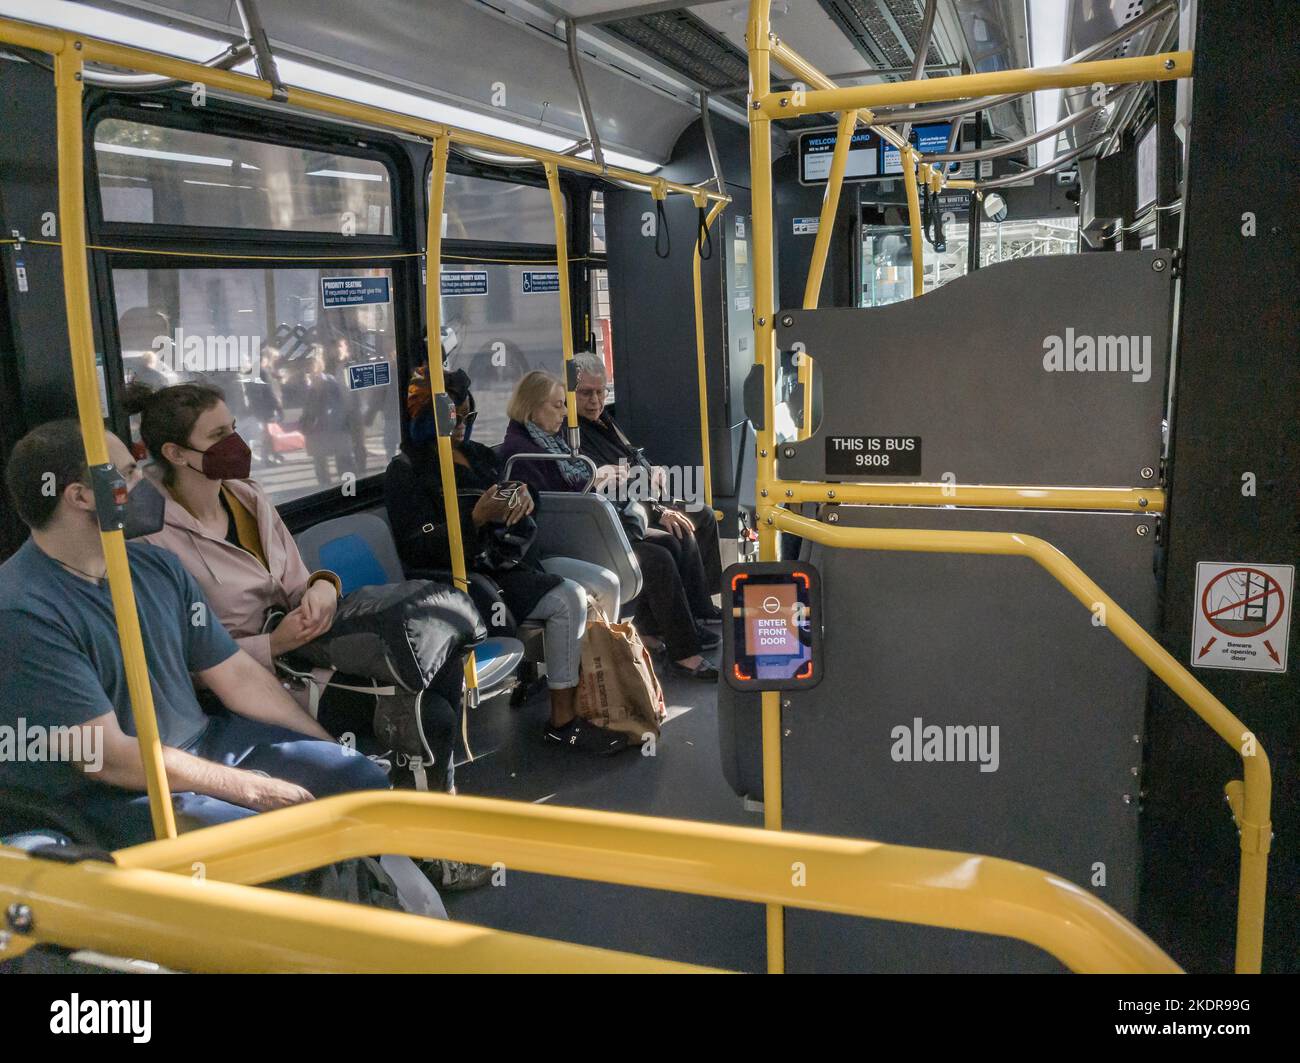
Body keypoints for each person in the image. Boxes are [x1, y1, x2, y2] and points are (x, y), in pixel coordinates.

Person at [122, 380, 485, 891]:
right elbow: (181, 660)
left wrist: (321, 588)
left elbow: (297, 581)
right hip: (250, 675)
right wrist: (274, 645)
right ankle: (418, 848)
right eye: (219, 434)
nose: (236, 443)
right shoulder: (153, 539)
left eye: (234, 428)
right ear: (177, 453)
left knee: (437, 652)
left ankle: (425, 829)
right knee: (432, 715)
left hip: (305, 643)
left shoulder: (246, 497)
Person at [0, 421, 395, 856]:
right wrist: (250, 790)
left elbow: (237, 676)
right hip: (120, 790)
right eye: (129, 473)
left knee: (359, 781)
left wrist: (321, 741)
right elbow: (107, 756)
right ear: (80, 496)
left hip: (203, 745)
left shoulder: (156, 568)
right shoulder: (22, 610)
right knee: (268, 846)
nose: (142, 482)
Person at [385, 366, 631, 754]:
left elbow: (517, 479)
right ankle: (563, 720)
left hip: (514, 558)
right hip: (470, 574)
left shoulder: (476, 455)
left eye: (468, 417)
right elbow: (419, 542)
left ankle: (593, 692)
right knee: (568, 598)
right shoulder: (406, 473)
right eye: (456, 419)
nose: (463, 426)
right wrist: (475, 518)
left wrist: (525, 493)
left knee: (603, 579)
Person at [499, 370, 719, 681]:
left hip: (590, 526)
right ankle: (685, 654)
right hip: (567, 538)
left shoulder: (552, 442)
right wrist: (597, 479)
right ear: (531, 408)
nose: (565, 413)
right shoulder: (521, 451)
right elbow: (554, 505)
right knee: (657, 559)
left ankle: (653, 630)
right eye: (557, 406)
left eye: (564, 405)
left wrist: (599, 480)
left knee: (669, 542)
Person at [571, 350, 724, 608]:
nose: (595, 400)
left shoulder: (604, 421)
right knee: (682, 530)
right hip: (626, 510)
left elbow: (630, 456)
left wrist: (653, 470)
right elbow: (613, 486)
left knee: (705, 516)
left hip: (646, 498)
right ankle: (694, 610)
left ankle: (703, 602)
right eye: (586, 393)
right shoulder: (574, 433)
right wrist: (659, 510)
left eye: (600, 392)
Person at [299, 347, 356, 487]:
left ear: (318, 365)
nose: (309, 368)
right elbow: (306, 409)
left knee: (343, 462)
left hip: (334, 429)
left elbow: (339, 405)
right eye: (307, 365)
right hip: (316, 432)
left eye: (311, 364)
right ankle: (326, 490)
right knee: (320, 464)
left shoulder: (330, 382)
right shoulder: (307, 385)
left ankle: (350, 492)